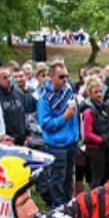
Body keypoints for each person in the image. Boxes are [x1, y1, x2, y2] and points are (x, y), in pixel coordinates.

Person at [36, 62, 80, 207]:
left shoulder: (68, 90)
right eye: (61, 77)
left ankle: (68, 205)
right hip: (56, 144)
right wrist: (64, 117)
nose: (65, 80)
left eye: (66, 76)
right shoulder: (44, 98)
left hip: (71, 141)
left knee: (68, 176)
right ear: (51, 77)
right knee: (57, 178)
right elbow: (46, 124)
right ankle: (58, 206)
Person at [80, 75, 109, 191]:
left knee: (102, 177)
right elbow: (88, 133)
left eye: (100, 91)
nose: (99, 94)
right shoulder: (89, 110)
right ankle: (92, 202)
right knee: (96, 179)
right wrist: (101, 139)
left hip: (101, 147)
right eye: (96, 92)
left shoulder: (100, 107)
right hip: (94, 148)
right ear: (90, 93)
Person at [0, 66, 27, 146]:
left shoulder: (19, 93)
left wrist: (26, 134)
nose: (8, 80)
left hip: (21, 138)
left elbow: (24, 115)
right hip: (5, 140)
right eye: (4, 78)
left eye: (9, 76)